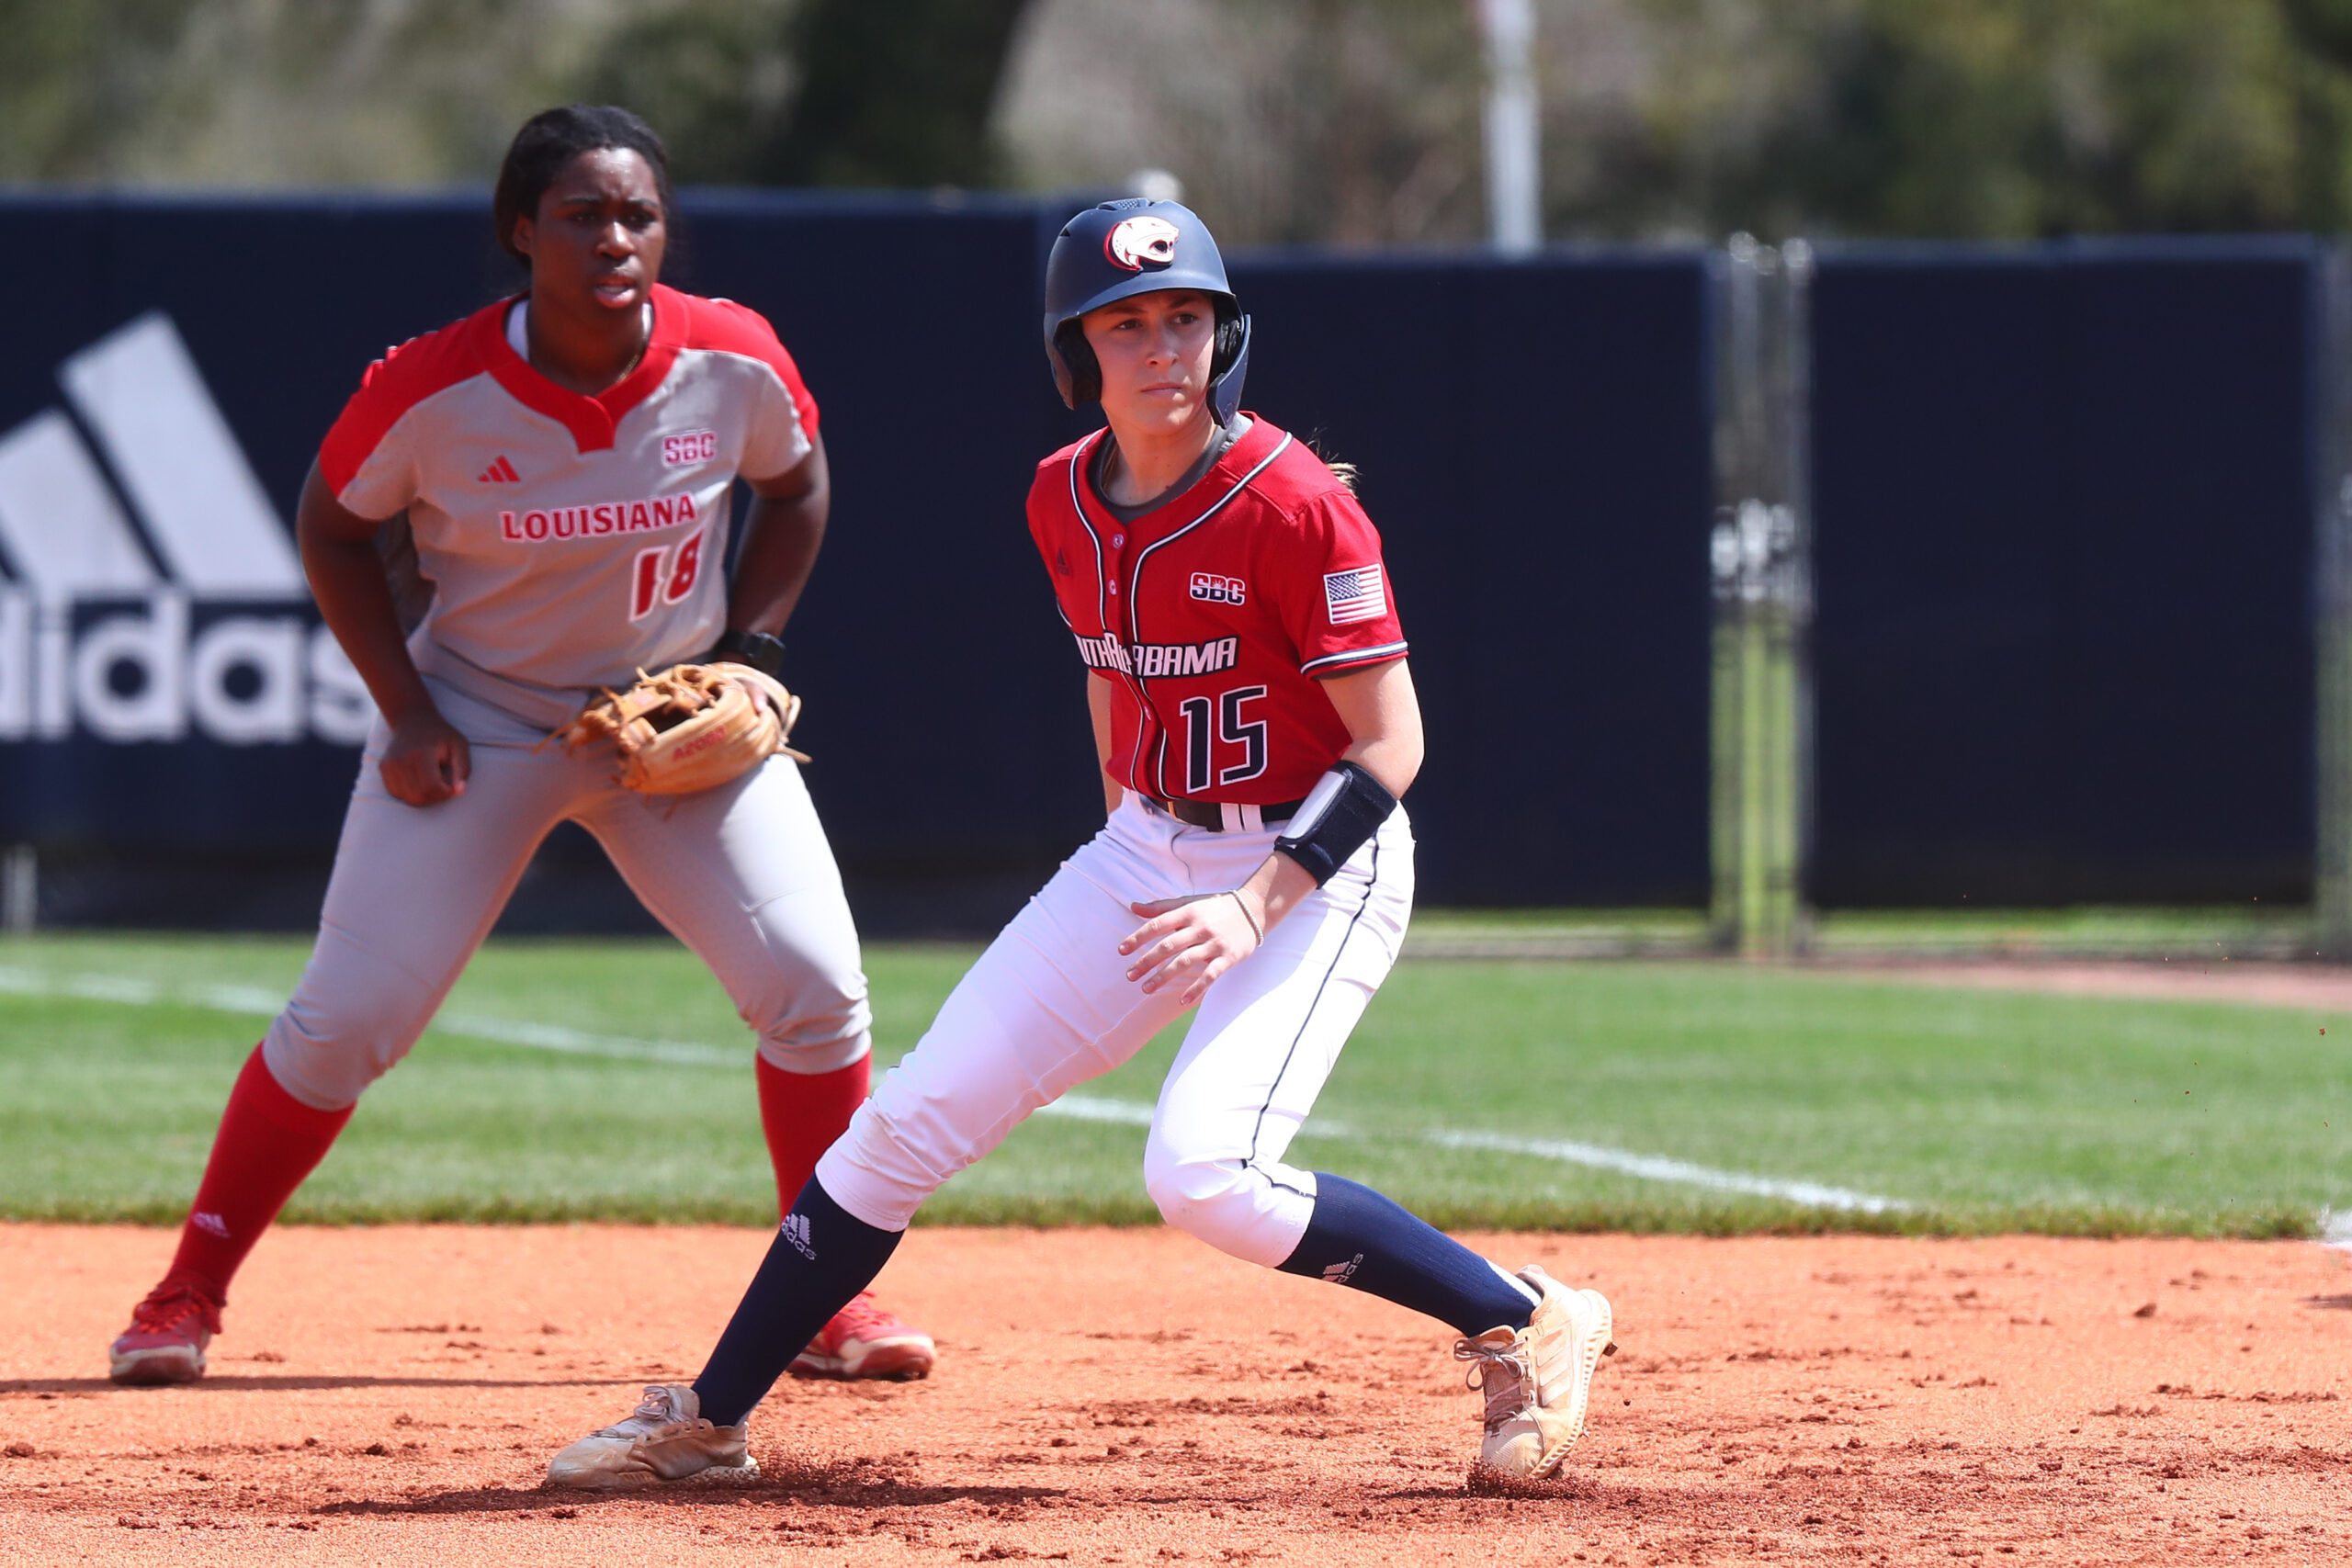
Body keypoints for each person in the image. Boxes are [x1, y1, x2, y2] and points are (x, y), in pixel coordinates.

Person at [544, 198, 1614, 1489]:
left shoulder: (1293, 507)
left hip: (1315, 866)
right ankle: (706, 1424)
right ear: (1076, 354)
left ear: (1226, 336)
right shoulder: (1063, 495)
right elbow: (1111, 674)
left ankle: (1523, 1313)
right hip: (1152, 851)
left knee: (1204, 1174)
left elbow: (1391, 745)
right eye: (1128, 324)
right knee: (904, 1124)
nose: (1165, 347)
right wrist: (1130, 831)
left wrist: (1253, 901)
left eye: (1188, 319)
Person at [106, 105, 932, 1389]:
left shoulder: (734, 360)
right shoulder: (432, 388)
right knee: (345, 1021)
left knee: (818, 989)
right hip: (483, 713)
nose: (616, 236)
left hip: (673, 719)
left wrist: (753, 653)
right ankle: (185, 1292)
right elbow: (332, 528)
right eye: (584, 214)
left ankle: (837, 1298)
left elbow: (799, 483)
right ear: (521, 232)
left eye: (639, 214)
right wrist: (410, 709)